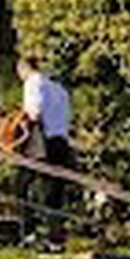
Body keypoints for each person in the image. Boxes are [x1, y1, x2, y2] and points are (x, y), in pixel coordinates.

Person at [16, 55, 77, 241]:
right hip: (61, 140)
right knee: (54, 190)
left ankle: (28, 230)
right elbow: (68, 115)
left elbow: (34, 112)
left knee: (23, 184)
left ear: (24, 69)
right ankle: (54, 234)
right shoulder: (58, 88)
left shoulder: (32, 83)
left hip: (42, 140)